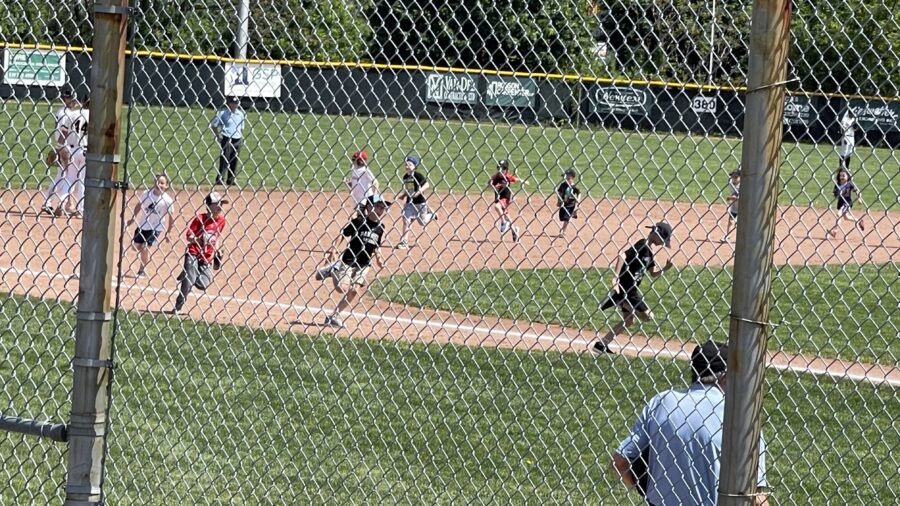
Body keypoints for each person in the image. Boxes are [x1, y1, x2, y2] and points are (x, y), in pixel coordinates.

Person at [612, 341, 769, 506]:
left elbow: (620, 462)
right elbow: (756, 497)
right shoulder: (741, 416)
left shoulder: (662, 402)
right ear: (726, 375)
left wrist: (645, 491)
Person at [591, 222, 674, 354]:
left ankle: (601, 344)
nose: (663, 243)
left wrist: (665, 269)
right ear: (655, 234)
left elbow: (653, 274)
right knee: (648, 316)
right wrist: (615, 277)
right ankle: (621, 300)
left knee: (629, 321)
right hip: (627, 289)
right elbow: (622, 256)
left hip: (632, 290)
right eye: (662, 239)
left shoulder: (650, 254)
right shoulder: (642, 245)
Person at [315, 194, 391, 328]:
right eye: (379, 207)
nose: (381, 210)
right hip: (349, 260)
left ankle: (334, 316)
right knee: (341, 289)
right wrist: (333, 249)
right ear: (369, 206)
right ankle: (334, 268)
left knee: (354, 290)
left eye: (383, 208)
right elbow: (343, 234)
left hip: (364, 264)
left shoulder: (381, 227)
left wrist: (379, 258)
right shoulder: (358, 222)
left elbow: (375, 245)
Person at [172, 192, 228, 314]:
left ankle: (188, 271)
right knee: (188, 283)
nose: (220, 207)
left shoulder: (221, 220)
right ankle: (178, 306)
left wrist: (217, 249)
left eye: (221, 204)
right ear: (209, 206)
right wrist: (198, 238)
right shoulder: (200, 219)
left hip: (206, 257)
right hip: (193, 252)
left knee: (203, 284)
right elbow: (189, 237)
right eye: (217, 204)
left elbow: (217, 237)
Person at [125, 174, 176, 277]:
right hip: (143, 225)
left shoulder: (167, 200)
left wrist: (168, 232)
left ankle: (141, 270)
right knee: (135, 247)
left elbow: (171, 217)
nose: (159, 184)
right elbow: (139, 205)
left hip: (156, 227)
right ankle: (141, 250)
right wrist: (133, 218)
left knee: (145, 248)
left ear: (166, 186)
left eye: (162, 183)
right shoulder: (147, 193)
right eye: (157, 182)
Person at [41, 89, 79, 215]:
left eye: (74, 99)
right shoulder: (65, 113)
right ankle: (57, 203)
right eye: (71, 99)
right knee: (65, 177)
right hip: (65, 148)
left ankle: (66, 203)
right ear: (65, 99)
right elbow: (62, 133)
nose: (74, 102)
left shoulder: (65, 112)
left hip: (64, 147)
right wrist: (59, 149)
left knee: (64, 176)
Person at [55, 99, 90, 217]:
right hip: (86, 151)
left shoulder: (72, 114)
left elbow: (63, 132)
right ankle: (80, 209)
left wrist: (58, 148)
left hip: (72, 150)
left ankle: (62, 202)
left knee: (70, 178)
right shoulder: (95, 117)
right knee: (82, 180)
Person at [396, 155, 436, 249]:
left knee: (422, 222)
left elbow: (426, 185)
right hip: (409, 202)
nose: (407, 166)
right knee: (405, 220)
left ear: (414, 166)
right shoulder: (405, 177)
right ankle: (404, 242)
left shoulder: (417, 175)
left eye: (409, 164)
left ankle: (431, 214)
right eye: (406, 164)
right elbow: (409, 189)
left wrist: (418, 192)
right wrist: (404, 195)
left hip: (420, 202)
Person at [488, 159, 527, 243]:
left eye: (503, 168)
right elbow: (489, 185)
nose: (501, 170)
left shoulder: (507, 177)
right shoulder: (496, 177)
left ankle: (503, 223)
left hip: (505, 197)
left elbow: (515, 179)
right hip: (498, 198)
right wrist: (494, 186)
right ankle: (514, 231)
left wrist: (523, 181)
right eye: (499, 168)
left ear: (506, 169)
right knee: (506, 214)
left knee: (497, 206)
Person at [210, 96, 246, 186]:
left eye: (236, 103)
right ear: (228, 104)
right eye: (232, 103)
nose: (234, 105)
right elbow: (214, 125)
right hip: (227, 137)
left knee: (234, 159)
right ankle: (220, 178)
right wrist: (218, 137)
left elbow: (241, 127)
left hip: (237, 138)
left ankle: (231, 179)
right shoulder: (223, 113)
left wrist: (241, 137)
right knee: (225, 159)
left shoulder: (240, 114)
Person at [828, 168, 865, 238]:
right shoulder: (838, 184)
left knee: (838, 214)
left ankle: (835, 231)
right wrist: (834, 194)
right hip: (840, 202)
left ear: (848, 176)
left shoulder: (849, 184)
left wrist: (859, 198)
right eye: (840, 175)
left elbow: (857, 191)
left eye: (843, 175)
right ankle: (859, 221)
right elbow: (834, 192)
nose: (841, 177)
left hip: (847, 202)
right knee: (846, 217)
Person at [346, 150, 379, 216]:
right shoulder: (354, 171)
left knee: (354, 216)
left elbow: (376, 182)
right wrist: (350, 184)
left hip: (365, 199)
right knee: (361, 218)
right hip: (357, 199)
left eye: (355, 159)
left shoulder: (365, 170)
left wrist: (374, 197)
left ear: (360, 161)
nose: (353, 161)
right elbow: (356, 185)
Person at [555, 169, 581, 238]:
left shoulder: (574, 187)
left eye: (567, 177)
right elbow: (559, 193)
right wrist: (558, 201)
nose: (565, 179)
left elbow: (579, 193)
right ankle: (572, 215)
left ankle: (563, 232)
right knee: (562, 217)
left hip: (571, 205)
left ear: (571, 177)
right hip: (563, 204)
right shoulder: (563, 185)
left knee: (566, 218)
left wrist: (578, 199)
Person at [721, 170, 740, 243]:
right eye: (733, 177)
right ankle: (727, 236)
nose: (734, 178)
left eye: (736, 177)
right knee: (730, 221)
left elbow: (738, 197)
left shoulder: (742, 185)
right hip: (735, 207)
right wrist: (732, 197)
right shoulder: (731, 184)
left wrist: (730, 198)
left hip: (743, 208)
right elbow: (734, 194)